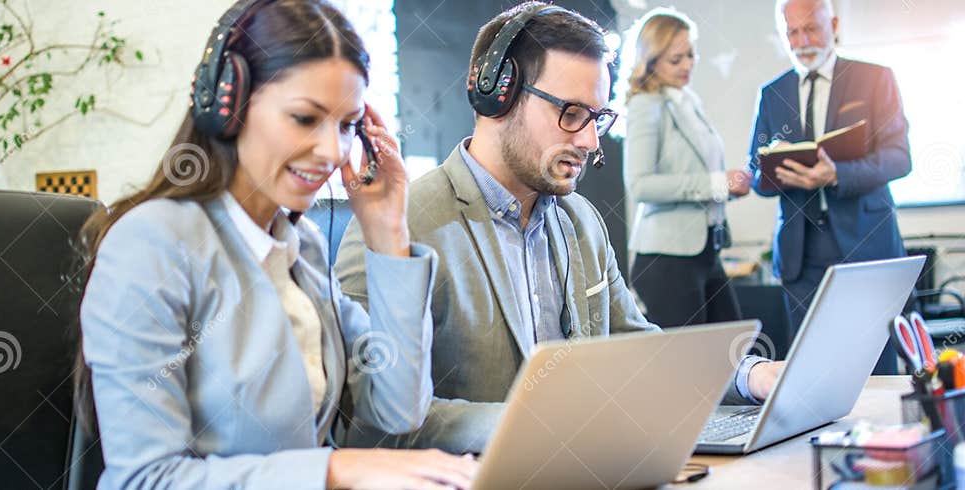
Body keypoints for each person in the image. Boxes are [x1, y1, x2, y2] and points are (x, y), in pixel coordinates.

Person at [334, 2, 783, 455]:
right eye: (571, 113)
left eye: (598, 118)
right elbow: (367, 419)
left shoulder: (581, 221)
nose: (590, 141)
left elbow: (635, 347)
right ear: (498, 95)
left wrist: (748, 376)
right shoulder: (394, 226)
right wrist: (535, 425)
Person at [74, 1, 477, 488]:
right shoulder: (151, 243)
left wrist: (387, 232)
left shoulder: (298, 247)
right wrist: (334, 469)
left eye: (348, 125)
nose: (333, 152)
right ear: (227, 103)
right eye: (306, 119)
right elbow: (145, 479)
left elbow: (399, 408)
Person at [748, 0, 909, 373]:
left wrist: (835, 174)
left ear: (833, 24)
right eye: (792, 32)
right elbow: (757, 175)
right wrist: (776, 168)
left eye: (812, 29)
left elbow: (899, 158)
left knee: (875, 364)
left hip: (866, 244)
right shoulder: (773, 93)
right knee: (812, 369)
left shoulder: (874, 78)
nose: (802, 40)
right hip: (800, 255)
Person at [624, 7, 751, 328]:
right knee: (688, 367)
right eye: (676, 59)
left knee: (732, 350)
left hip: (706, 250)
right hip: (667, 258)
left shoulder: (688, 100)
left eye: (691, 55)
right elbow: (640, 185)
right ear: (650, 61)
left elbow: (703, 176)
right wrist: (715, 183)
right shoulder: (645, 105)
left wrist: (729, 185)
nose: (688, 65)